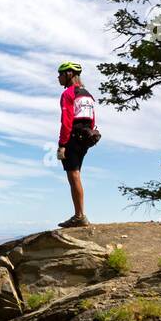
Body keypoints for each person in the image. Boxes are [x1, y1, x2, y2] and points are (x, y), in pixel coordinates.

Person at [56, 61, 98, 228]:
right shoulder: (87, 94)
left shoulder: (68, 94)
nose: (58, 77)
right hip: (87, 137)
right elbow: (93, 118)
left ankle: (79, 215)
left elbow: (66, 121)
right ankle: (79, 214)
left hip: (73, 137)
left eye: (60, 74)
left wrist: (62, 144)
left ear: (69, 74)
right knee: (77, 174)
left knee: (73, 176)